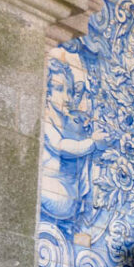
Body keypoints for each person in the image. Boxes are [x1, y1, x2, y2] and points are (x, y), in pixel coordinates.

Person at [39, 58, 106, 221]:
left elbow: (62, 147)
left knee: (34, 185)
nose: (67, 97)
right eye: (59, 89)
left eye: (69, 91)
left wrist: (91, 140)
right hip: (53, 185)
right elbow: (60, 146)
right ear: (47, 92)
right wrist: (91, 143)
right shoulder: (46, 120)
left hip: (63, 192)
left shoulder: (68, 122)